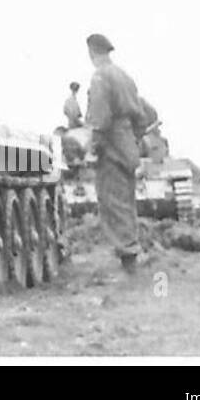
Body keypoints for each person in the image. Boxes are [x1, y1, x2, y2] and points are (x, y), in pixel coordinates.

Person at [84, 32, 149, 274]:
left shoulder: (100, 77)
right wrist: (133, 140)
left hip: (111, 146)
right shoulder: (124, 76)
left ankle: (129, 263)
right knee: (126, 201)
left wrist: (95, 147)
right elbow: (142, 116)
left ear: (91, 52)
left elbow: (100, 118)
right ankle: (131, 257)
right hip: (127, 144)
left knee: (113, 202)